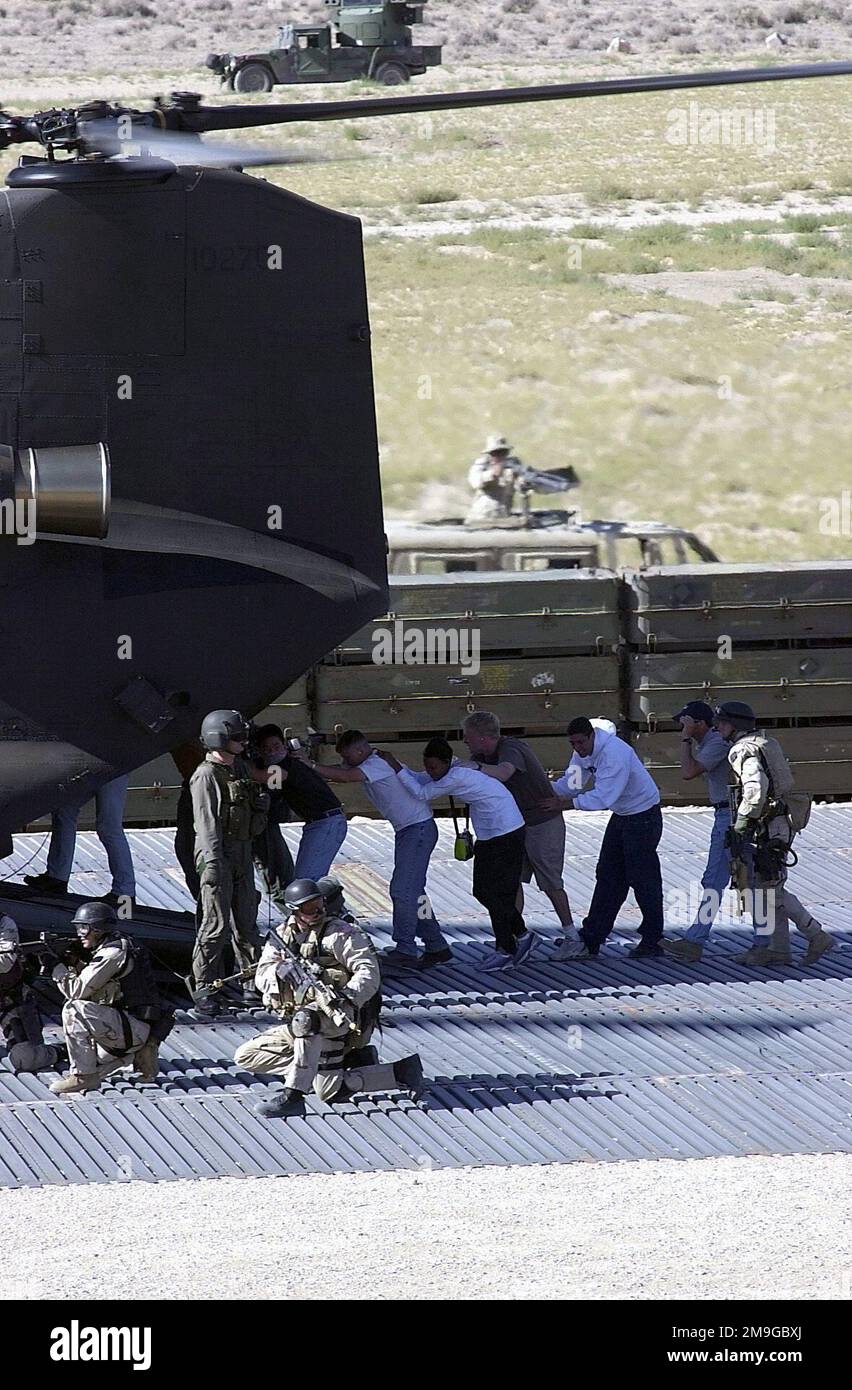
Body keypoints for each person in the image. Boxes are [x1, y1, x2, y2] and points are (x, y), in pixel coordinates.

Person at [234, 879, 425, 1119]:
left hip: (338, 1018)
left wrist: (346, 997)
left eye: (320, 904)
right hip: (298, 1020)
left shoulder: (341, 933)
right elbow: (262, 974)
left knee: (306, 1021)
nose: (317, 912)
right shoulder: (283, 935)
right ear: (295, 911)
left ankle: (293, 1095)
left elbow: (368, 972)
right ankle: (396, 1071)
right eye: (309, 908)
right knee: (248, 1056)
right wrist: (280, 973)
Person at [376, 739, 539, 971]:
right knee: (482, 891)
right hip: (489, 833)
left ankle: (506, 949)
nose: (431, 772)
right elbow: (422, 778)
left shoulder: (456, 775)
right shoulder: (451, 769)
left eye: (433, 767)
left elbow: (421, 793)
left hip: (506, 831)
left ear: (446, 762)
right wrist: (401, 768)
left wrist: (394, 765)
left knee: (497, 894)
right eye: (427, 766)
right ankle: (522, 936)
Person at [316, 729, 452, 971]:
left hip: (416, 831)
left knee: (402, 891)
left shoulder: (376, 763)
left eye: (348, 757)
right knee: (414, 891)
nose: (345, 762)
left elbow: (347, 776)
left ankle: (406, 950)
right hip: (413, 830)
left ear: (359, 751)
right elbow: (343, 772)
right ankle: (435, 945)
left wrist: (312, 766)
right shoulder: (373, 761)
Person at [714, 702, 833, 968]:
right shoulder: (765, 742)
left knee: (767, 889)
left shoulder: (742, 750)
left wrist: (742, 825)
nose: (718, 727)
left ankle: (816, 935)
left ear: (735, 725)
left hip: (765, 828)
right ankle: (778, 950)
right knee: (768, 884)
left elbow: (756, 789)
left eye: (722, 722)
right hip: (776, 824)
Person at [543, 717, 664, 960]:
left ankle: (652, 940)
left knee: (643, 881)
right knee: (608, 876)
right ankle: (592, 938)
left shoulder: (614, 753)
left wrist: (564, 804)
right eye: (573, 743)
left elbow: (603, 797)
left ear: (592, 736)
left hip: (643, 817)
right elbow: (574, 783)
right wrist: (545, 789)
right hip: (623, 815)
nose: (577, 748)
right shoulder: (582, 752)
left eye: (580, 742)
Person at [460, 710, 579, 954]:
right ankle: (517, 935)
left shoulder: (511, 748)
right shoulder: (481, 756)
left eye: (468, 736)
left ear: (483, 737)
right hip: (517, 827)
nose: (465, 741)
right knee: (510, 882)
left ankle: (572, 937)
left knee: (550, 882)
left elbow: (504, 773)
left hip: (542, 822)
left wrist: (473, 766)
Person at [187, 709, 267, 1014]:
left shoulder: (241, 770)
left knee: (246, 924)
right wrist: (213, 863)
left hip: (242, 853)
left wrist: (261, 809)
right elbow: (207, 825)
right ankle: (204, 986)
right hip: (218, 856)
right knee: (215, 925)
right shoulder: (206, 775)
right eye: (236, 737)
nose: (243, 742)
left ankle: (251, 983)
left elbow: (249, 820)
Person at [49, 901, 162, 1095]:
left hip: (130, 1029)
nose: (79, 933)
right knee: (97, 1059)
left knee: (73, 1008)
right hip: (127, 1027)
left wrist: (55, 967)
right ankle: (132, 1056)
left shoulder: (112, 953)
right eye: (78, 927)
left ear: (99, 929)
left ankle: (83, 1076)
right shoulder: (117, 944)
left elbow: (76, 990)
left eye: (84, 927)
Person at [664, 701, 734, 963]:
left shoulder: (714, 743)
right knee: (751, 882)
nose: (682, 728)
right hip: (729, 814)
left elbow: (688, 772)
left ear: (700, 724)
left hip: (727, 817)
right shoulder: (710, 743)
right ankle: (770, 941)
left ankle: (694, 941)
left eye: (686, 723)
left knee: (714, 880)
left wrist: (685, 741)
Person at [24, 774, 136, 910]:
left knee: (109, 828)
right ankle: (57, 878)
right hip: (103, 768)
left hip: (110, 768)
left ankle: (124, 893)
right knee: (65, 809)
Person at [253, 724, 347, 882]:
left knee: (306, 880)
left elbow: (263, 776)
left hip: (326, 823)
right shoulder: (286, 765)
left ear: (284, 745)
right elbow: (274, 797)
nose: (272, 751)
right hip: (320, 823)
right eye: (266, 748)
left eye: (276, 746)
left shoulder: (283, 767)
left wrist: (240, 765)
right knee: (308, 879)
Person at [0, 914, 64, 1073]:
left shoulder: (4, 924)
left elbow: (5, 962)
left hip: (8, 1000)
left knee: (26, 1059)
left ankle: (60, 1050)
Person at [466, 434, 535, 523]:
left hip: (503, 516)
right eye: (495, 453)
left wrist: (524, 481)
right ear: (490, 454)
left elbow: (523, 487)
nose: (500, 456)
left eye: (503, 452)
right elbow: (475, 482)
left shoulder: (512, 465)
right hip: (482, 517)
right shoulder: (481, 465)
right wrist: (492, 475)